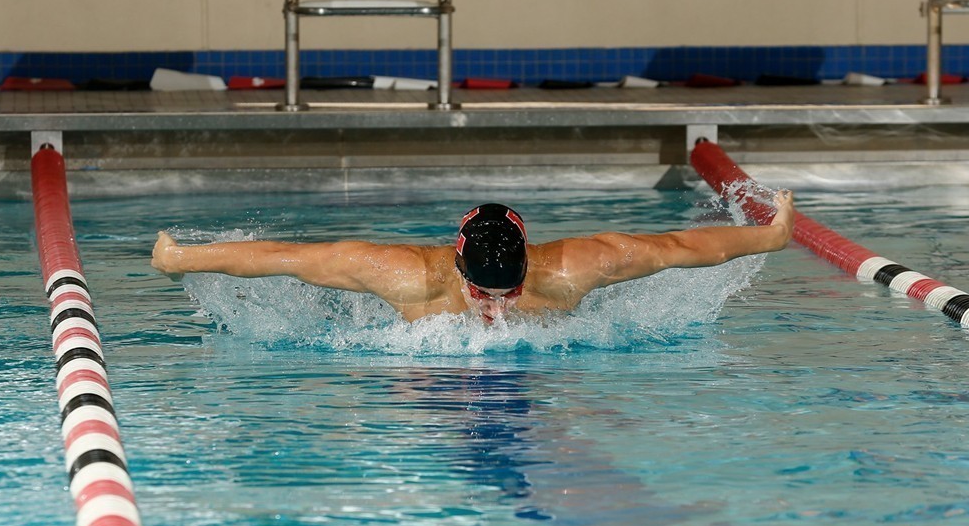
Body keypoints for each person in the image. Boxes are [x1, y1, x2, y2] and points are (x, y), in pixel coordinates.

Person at [152, 191, 795, 324]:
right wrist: (770, 235)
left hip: (427, 383)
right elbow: (681, 248)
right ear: (527, 256)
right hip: (540, 377)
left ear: (456, 260)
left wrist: (182, 259)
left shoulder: (407, 276)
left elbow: (284, 258)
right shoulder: (575, 267)